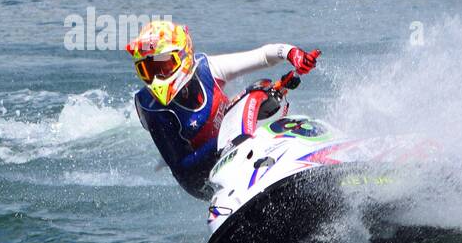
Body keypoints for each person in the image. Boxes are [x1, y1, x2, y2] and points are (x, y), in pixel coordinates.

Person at [125, 20, 320, 198]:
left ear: (184, 55)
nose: (158, 78)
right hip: (205, 177)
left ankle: (303, 154)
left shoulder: (207, 68)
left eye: (164, 66)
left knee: (265, 91)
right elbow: (183, 171)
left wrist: (292, 54)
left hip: (241, 142)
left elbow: (262, 56)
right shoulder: (153, 108)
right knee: (253, 94)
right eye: (148, 70)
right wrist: (224, 143)